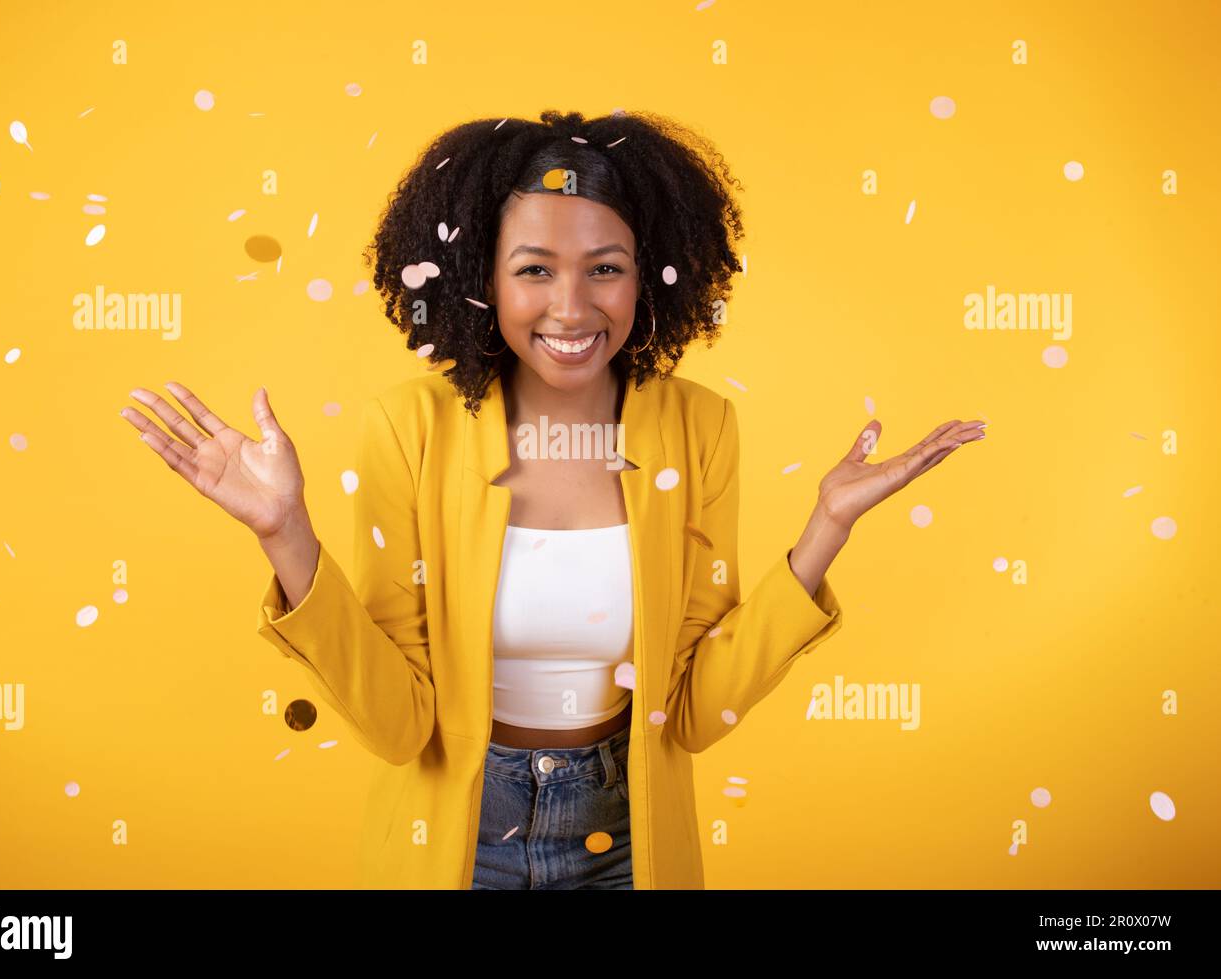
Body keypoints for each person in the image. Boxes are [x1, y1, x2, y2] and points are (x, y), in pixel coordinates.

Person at [121, 109, 986, 889]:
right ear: (480, 278)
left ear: (647, 279)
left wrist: (826, 528)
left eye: (604, 268)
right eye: (534, 269)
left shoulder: (701, 427)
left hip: (629, 833)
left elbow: (693, 712)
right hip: (457, 842)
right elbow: (397, 726)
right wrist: (287, 534)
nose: (571, 307)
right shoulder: (407, 428)